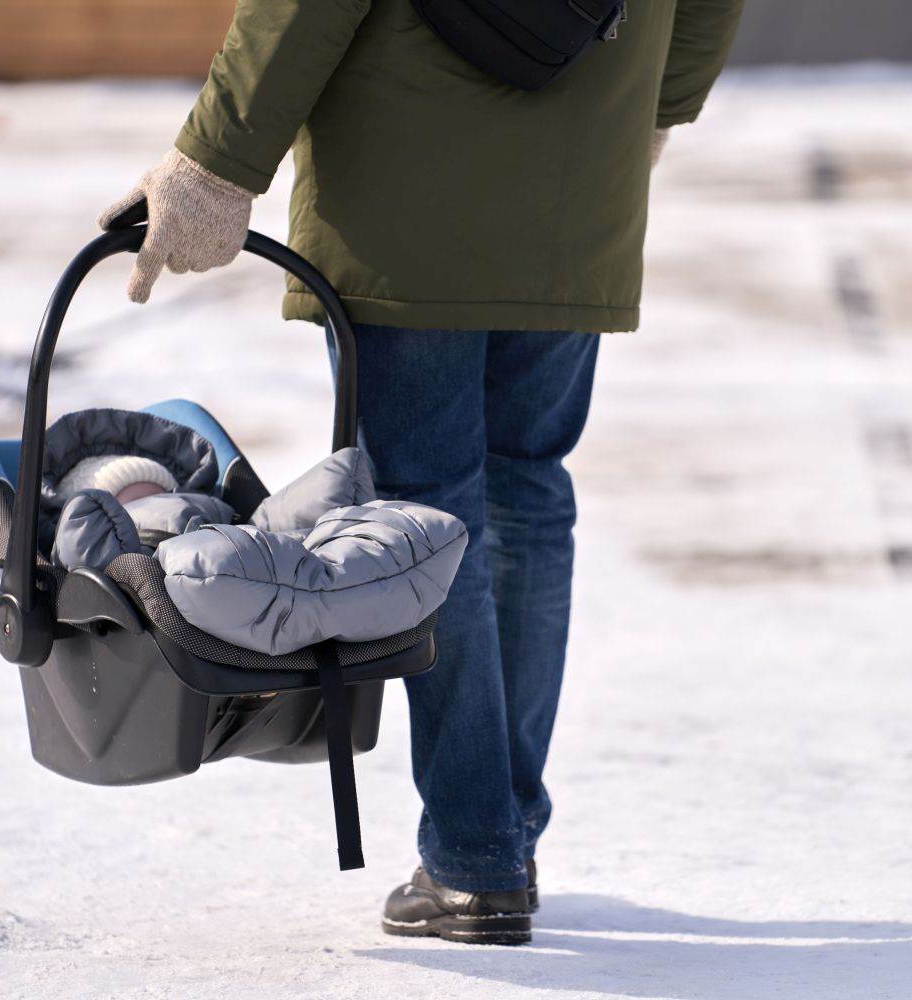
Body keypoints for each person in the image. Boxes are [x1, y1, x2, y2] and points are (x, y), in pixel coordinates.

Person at [101, 0, 744, 945]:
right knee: (526, 495)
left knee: (420, 513)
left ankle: (475, 856)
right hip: (582, 173)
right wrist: (651, 111)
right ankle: (499, 838)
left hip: (403, 201)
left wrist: (216, 163)